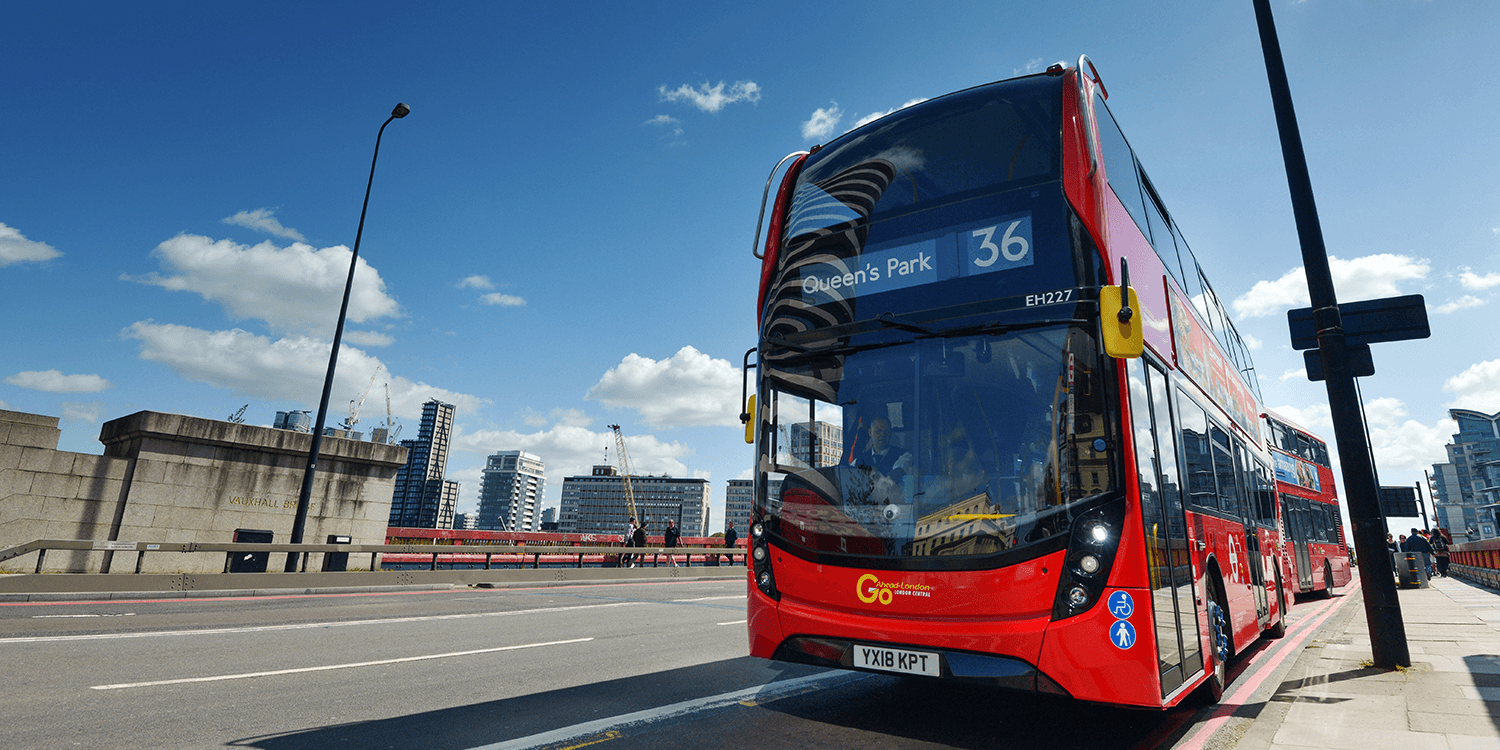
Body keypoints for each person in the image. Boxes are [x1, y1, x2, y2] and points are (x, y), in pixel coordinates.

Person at [854, 417, 914, 482]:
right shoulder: (859, 460)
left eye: (887, 431)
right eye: (879, 431)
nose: (883, 435)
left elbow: (895, 474)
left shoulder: (904, 455)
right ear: (870, 432)